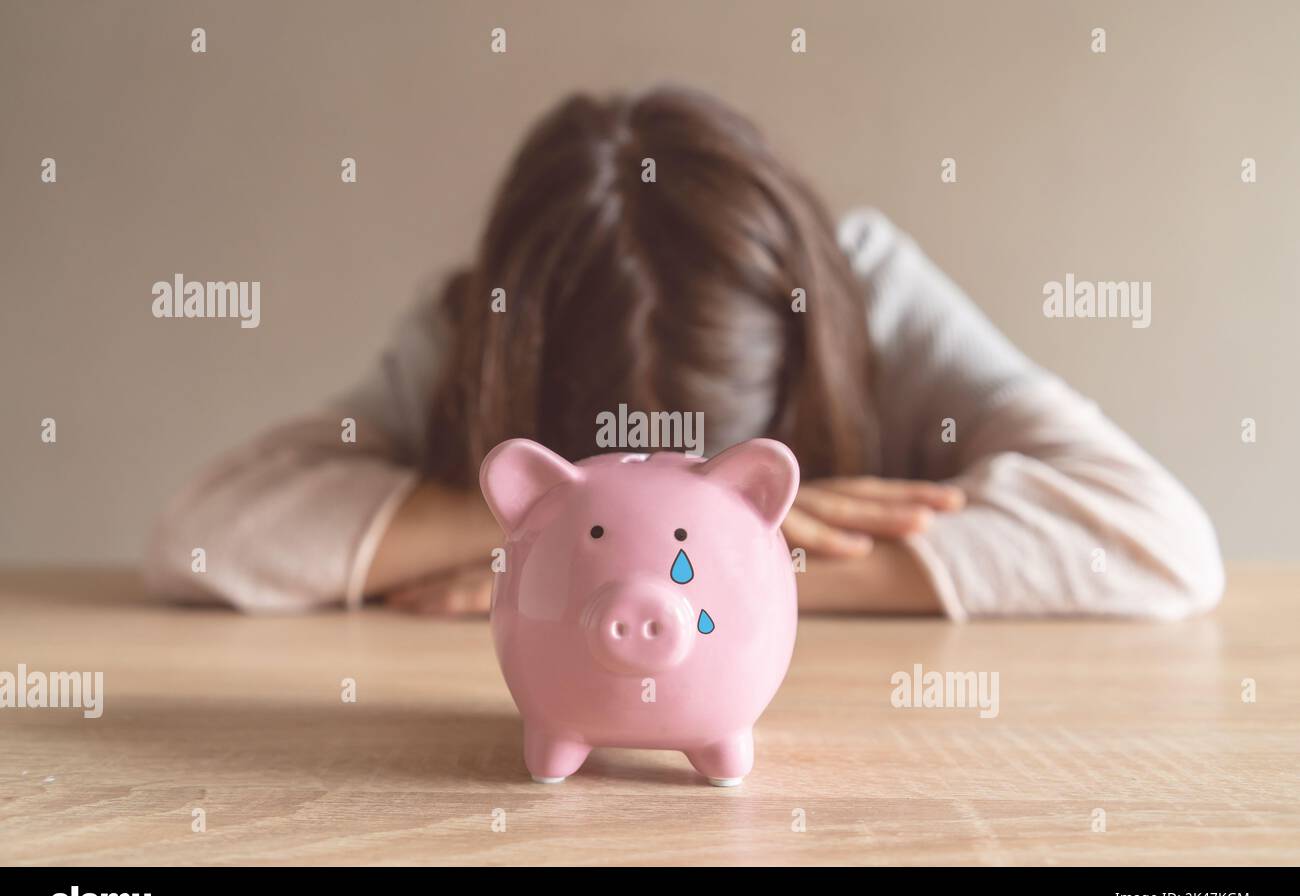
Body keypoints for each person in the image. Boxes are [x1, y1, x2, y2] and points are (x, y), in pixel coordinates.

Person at [143, 87, 1224, 620]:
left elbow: (1157, 541)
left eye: (705, 474)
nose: (655, 563)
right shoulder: (473, 327)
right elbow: (204, 537)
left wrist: (747, 563)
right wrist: (552, 531)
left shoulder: (868, 293)